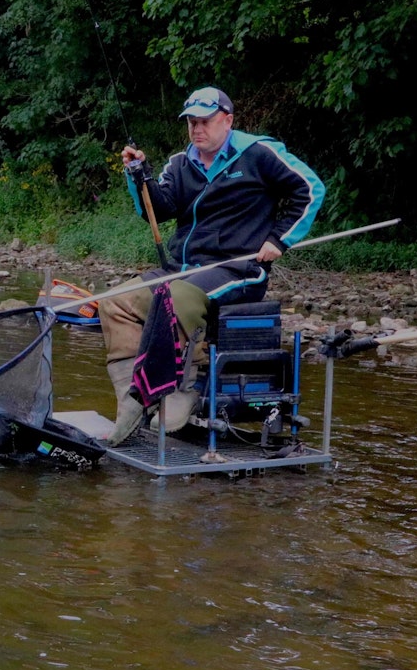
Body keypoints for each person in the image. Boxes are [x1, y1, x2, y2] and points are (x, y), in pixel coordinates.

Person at [102, 86, 326, 444]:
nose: (197, 129)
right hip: (184, 267)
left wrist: (279, 238)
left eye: (205, 121)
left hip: (238, 270)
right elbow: (157, 211)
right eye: (192, 122)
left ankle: (179, 388)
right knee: (114, 301)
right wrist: (139, 176)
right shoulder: (180, 162)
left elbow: (310, 188)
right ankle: (134, 400)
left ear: (228, 120)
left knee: (174, 299)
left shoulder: (258, 153)